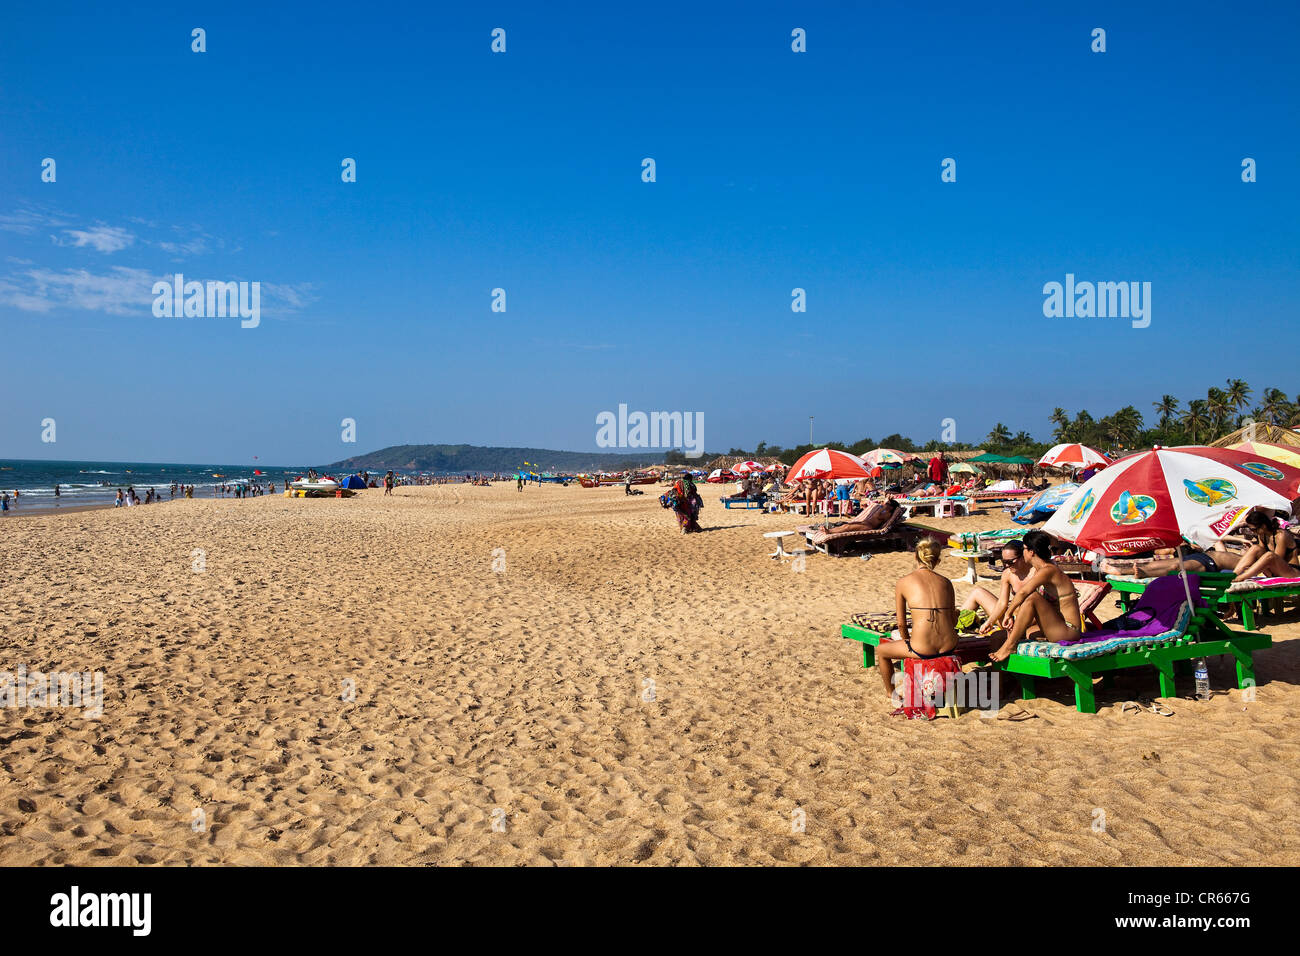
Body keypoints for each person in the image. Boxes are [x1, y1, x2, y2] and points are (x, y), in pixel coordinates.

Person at [875, 539, 961, 704]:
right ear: (938, 561)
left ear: (916, 557)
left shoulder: (903, 582)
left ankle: (890, 692)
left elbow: (901, 624)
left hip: (923, 647)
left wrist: (907, 640)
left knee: (882, 651)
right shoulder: (946, 582)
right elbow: (952, 621)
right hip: (950, 644)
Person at [988, 529, 1081, 662]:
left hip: (1068, 631)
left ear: (1031, 552)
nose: (1022, 551)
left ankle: (1010, 646)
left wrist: (1009, 613)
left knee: (1032, 597)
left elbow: (1024, 592)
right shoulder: (1041, 570)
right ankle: (1012, 675)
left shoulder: (1049, 570)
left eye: (1024, 548)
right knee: (1004, 635)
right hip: (1055, 626)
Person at [1234, 509, 1300, 581]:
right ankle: (1233, 575)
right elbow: (1260, 553)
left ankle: (1240, 578)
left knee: (1270, 555)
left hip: (1291, 572)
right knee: (1255, 548)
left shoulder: (1281, 536)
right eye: (1251, 529)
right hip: (1273, 572)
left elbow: (1276, 559)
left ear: (1263, 526)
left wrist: (1254, 567)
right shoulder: (1262, 534)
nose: (1253, 532)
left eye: (1254, 529)